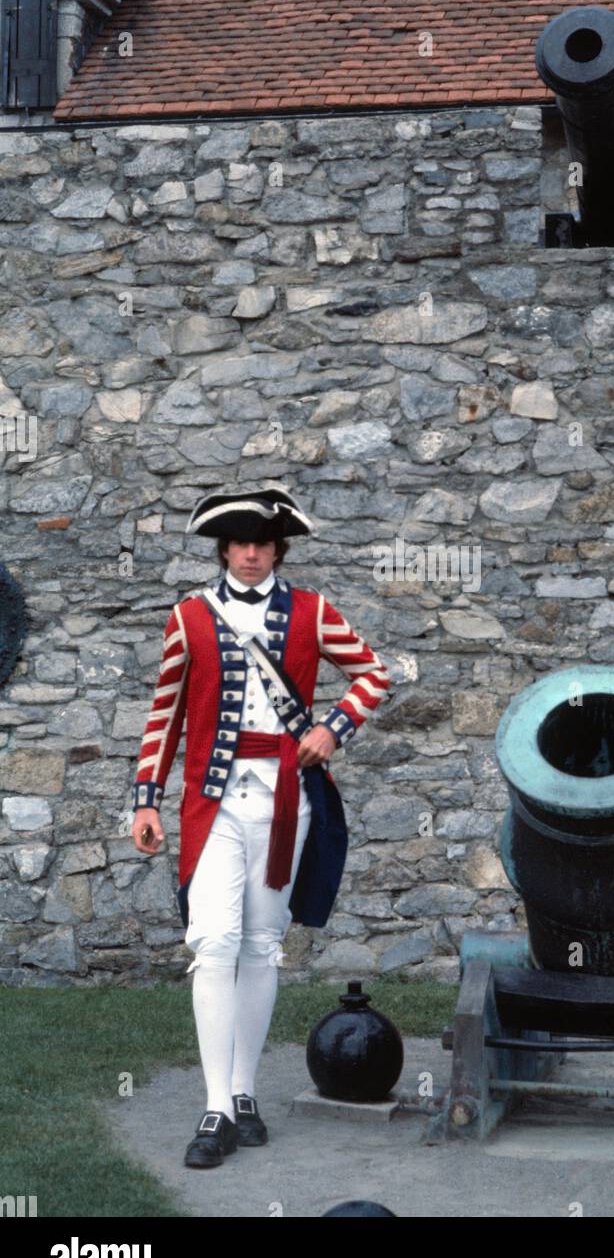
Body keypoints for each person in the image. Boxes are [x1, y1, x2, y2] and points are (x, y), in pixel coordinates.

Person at [130, 482, 390, 1168]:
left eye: (263, 544)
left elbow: (373, 672)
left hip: (285, 802)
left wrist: (334, 727)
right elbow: (166, 713)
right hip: (212, 803)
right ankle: (215, 1107)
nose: (251, 554)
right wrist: (146, 797)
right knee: (213, 941)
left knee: (261, 945)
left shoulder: (313, 612)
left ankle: (244, 1093)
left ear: (277, 549)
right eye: (240, 544)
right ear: (225, 549)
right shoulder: (189, 617)